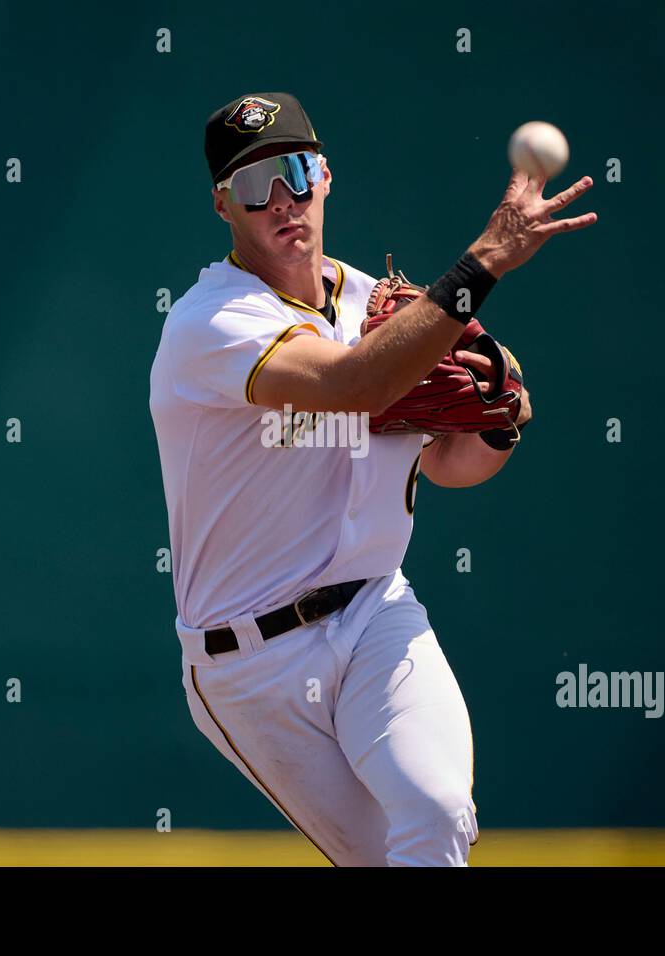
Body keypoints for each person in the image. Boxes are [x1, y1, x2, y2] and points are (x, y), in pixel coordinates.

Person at [149, 92, 596, 866]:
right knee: (384, 855)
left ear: (325, 175)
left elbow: (451, 466)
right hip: (252, 667)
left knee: (437, 809)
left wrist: (497, 421)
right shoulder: (209, 323)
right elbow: (353, 386)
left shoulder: (384, 311)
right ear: (224, 204)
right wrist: (484, 262)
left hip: (375, 614)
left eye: (294, 172)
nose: (282, 200)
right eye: (254, 187)